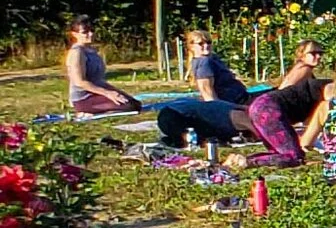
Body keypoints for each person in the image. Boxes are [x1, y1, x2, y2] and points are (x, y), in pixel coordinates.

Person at [156, 30, 284, 149]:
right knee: (280, 95)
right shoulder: (204, 62)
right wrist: (221, 113)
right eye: (201, 43)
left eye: (208, 42)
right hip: (236, 102)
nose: (206, 45)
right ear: (191, 46)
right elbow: (207, 92)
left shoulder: (210, 59)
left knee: (280, 92)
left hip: (240, 97)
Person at [63, 17, 140, 115]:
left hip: (98, 93)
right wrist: (107, 93)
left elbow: (99, 80)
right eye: (85, 32)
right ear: (74, 34)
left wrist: (115, 92)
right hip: (84, 98)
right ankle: (85, 111)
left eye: (92, 30)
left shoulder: (92, 51)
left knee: (135, 104)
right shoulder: (77, 52)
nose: (90, 34)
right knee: (128, 106)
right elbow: (80, 82)